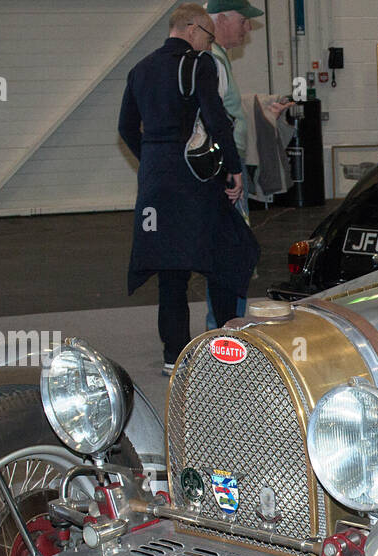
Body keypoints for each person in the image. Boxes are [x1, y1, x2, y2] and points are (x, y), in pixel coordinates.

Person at [118, 3, 258, 372]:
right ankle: (228, 349)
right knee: (228, 257)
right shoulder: (200, 64)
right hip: (196, 184)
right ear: (194, 29)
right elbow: (215, 118)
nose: (209, 45)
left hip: (155, 183)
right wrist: (233, 170)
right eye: (208, 37)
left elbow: (125, 128)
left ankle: (174, 357)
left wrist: (152, 156)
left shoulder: (140, 69)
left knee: (171, 273)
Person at [205, 0, 287, 329]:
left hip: (226, 162)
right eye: (243, 21)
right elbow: (215, 116)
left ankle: (226, 322)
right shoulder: (212, 61)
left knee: (233, 250)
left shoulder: (217, 59)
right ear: (222, 19)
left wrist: (263, 104)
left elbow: (229, 107)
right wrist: (229, 167)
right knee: (234, 251)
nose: (247, 28)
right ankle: (225, 326)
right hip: (225, 165)